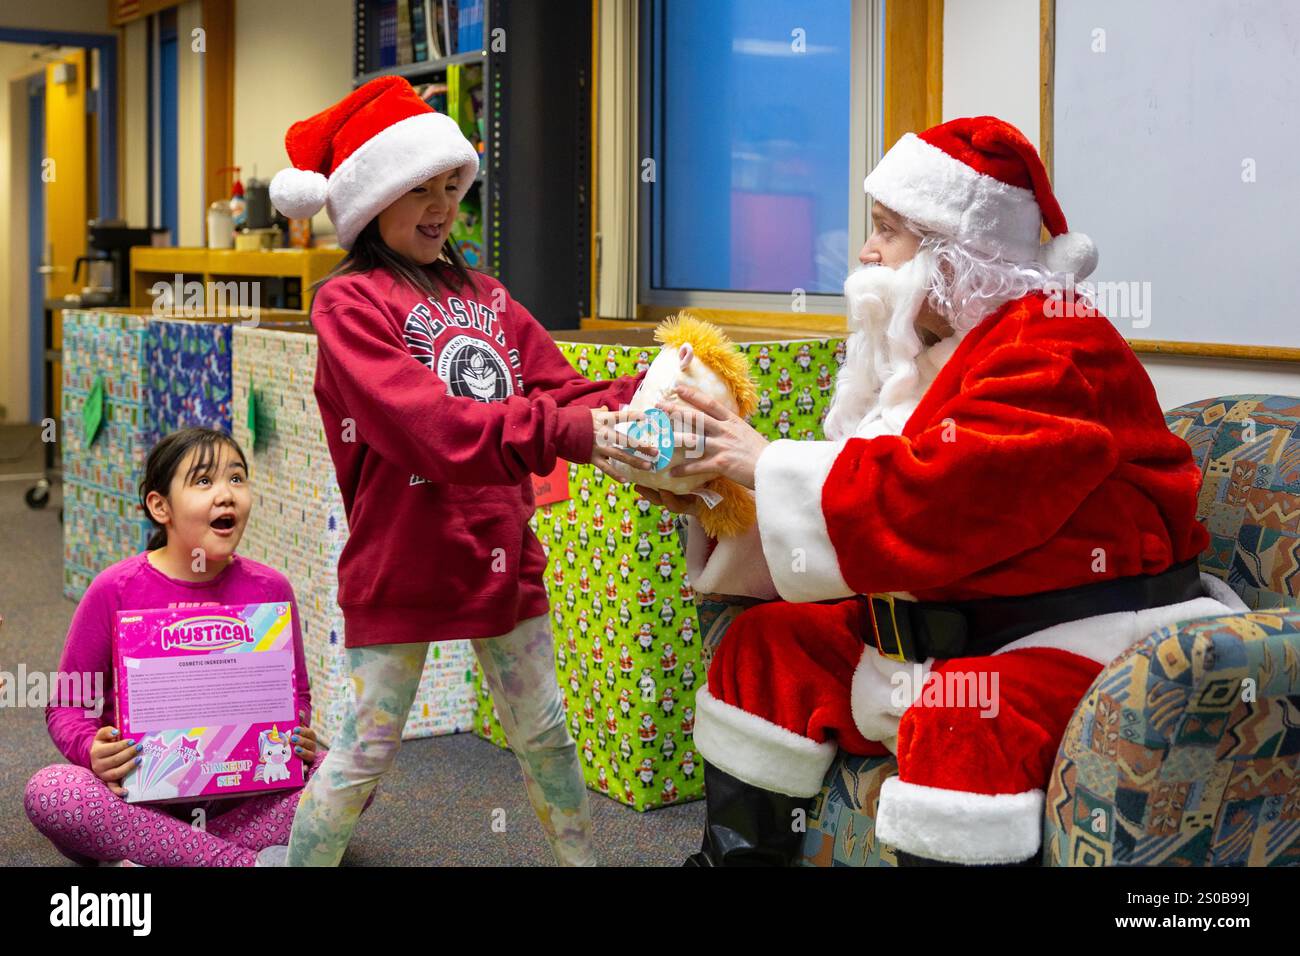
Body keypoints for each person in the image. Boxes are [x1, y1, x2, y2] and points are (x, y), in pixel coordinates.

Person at [644, 116, 1245, 866]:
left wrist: (759, 463)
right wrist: (720, 487)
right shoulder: (935, 350)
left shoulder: (1059, 349)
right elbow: (862, 504)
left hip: (1071, 633)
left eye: (888, 232)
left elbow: (941, 504)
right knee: (769, 649)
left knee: (964, 720)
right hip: (941, 620)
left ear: (957, 256)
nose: (866, 252)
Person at [268, 76, 655, 866]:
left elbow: (558, 386)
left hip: (500, 556)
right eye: (420, 189)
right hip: (399, 563)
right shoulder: (347, 304)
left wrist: (654, 391)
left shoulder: (488, 293)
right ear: (372, 196)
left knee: (545, 734)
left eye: (453, 185)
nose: (443, 206)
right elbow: (432, 430)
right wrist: (573, 431)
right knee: (367, 749)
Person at [24, 427, 329, 867]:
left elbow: (296, 694)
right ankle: (245, 861)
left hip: (238, 798)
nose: (226, 494)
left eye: (237, 479)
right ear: (159, 506)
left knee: (346, 775)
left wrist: (296, 730)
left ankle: (162, 854)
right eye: (203, 481)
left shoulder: (270, 589)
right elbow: (68, 705)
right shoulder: (115, 588)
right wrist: (92, 749)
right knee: (53, 792)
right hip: (137, 799)